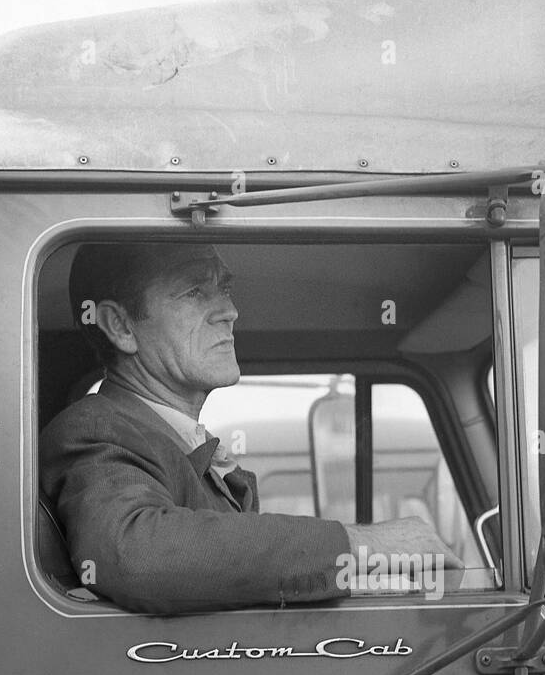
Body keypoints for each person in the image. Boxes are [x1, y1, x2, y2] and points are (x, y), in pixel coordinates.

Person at [41, 242, 461, 613]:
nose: (230, 311)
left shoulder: (172, 441)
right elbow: (140, 554)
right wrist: (364, 547)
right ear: (120, 326)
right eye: (194, 292)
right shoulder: (95, 429)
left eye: (224, 288)